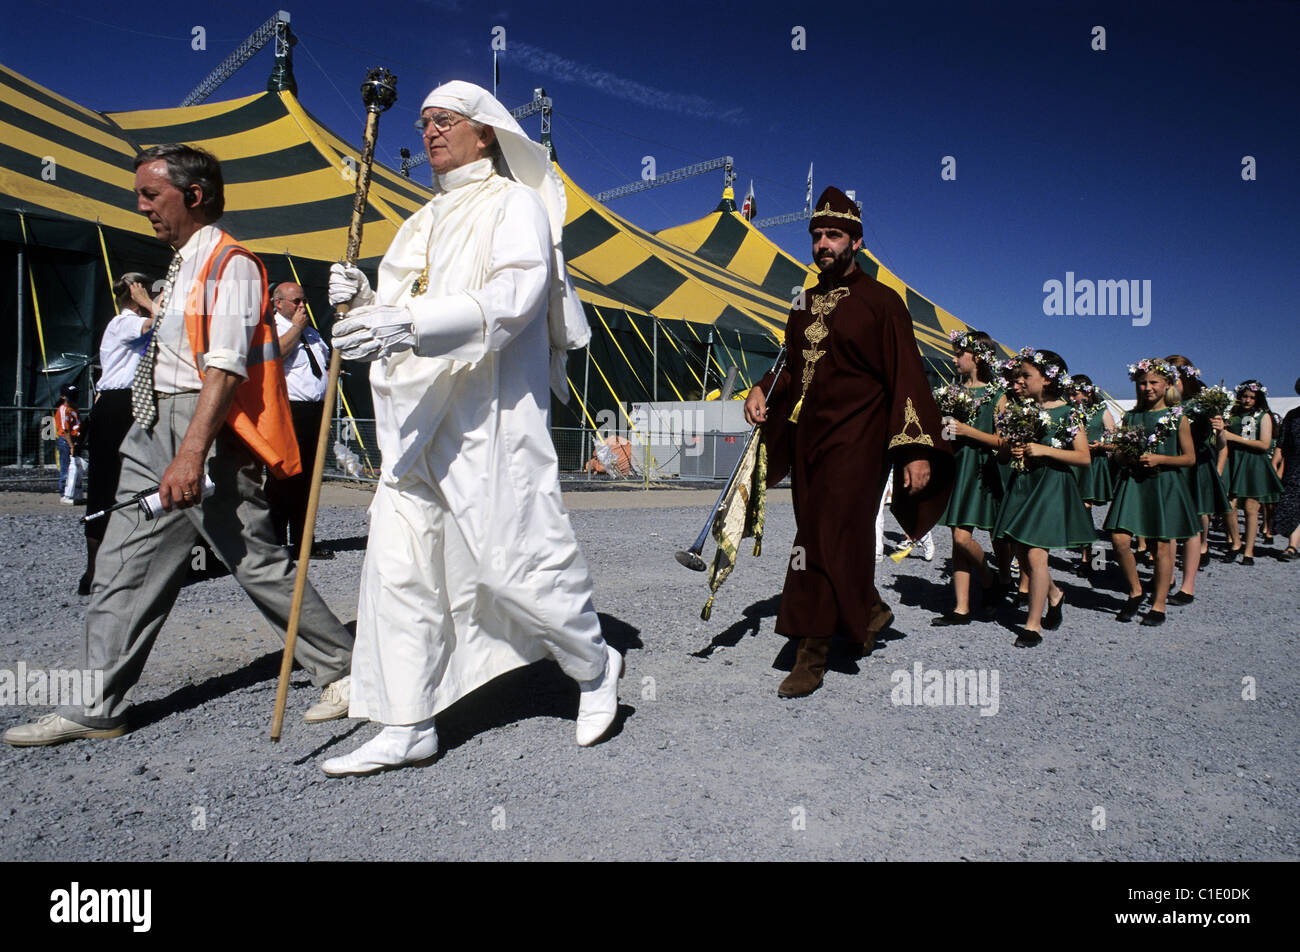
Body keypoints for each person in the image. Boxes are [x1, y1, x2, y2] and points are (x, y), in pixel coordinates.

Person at [3, 144, 353, 748]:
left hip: (207, 429)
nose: (140, 207)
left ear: (192, 196)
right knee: (121, 562)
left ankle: (346, 670)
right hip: (154, 425)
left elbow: (222, 368)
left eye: (150, 195)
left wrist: (191, 453)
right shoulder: (182, 266)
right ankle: (95, 706)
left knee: (253, 559)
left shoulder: (231, 264)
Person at [320, 81, 620, 777]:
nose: (429, 131)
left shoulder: (515, 205)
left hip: (490, 421)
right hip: (417, 421)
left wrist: (408, 322)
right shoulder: (419, 220)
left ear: (484, 131)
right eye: (423, 122)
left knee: (515, 562)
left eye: (444, 120)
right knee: (399, 571)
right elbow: (398, 309)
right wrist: (364, 300)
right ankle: (407, 721)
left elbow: (515, 297)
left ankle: (597, 666)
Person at [745, 186, 953, 697]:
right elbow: (791, 370)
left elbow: (907, 376)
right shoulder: (802, 302)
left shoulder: (884, 303)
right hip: (810, 441)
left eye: (833, 235)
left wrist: (917, 449)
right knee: (828, 533)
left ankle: (810, 652)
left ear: (856, 242)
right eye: (816, 235)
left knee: (819, 538)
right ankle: (869, 609)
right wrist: (760, 389)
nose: (822, 244)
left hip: (861, 443)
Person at [991, 348, 1093, 646]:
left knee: (1035, 555)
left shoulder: (1069, 412)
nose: (1019, 381)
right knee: (1021, 551)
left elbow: (1084, 457)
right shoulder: (1020, 410)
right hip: (1023, 484)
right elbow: (1001, 455)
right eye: (1018, 375)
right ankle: (1054, 593)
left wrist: (1044, 450)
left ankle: (1032, 624)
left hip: (1050, 486)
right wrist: (1012, 447)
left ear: (1048, 380)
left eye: (1026, 375)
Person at [1103, 358, 1199, 626]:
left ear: (1167, 384)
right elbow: (1121, 452)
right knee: (1120, 539)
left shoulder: (1178, 417)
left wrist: (1161, 460)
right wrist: (1124, 455)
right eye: (1143, 383)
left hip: (1164, 484)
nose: (1147, 388)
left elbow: (1190, 458)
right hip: (1134, 482)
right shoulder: (1131, 417)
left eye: (1153, 382)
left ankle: (1158, 604)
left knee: (1163, 546)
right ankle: (1136, 591)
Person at [80, 272, 156, 595]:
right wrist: (149, 304)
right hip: (117, 404)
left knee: (138, 483)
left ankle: (129, 563)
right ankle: (94, 571)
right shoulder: (122, 322)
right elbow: (154, 324)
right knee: (104, 484)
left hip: (135, 403)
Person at [931, 329, 1008, 625]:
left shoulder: (998, 396)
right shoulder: (953, 391)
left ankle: (993, 580)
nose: (953, 359)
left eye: (958, 354)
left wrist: (967, 431)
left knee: (967, 537)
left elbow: (1003, 442)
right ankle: (962, 606)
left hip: (983, 471)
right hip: (957, 467)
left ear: (977, 357)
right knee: (956, 536)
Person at [262, 281, 334, 560]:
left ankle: (305, 541)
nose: (302, 306)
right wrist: (296, 329)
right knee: (283, 477)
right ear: (278, 303)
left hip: (315, 411)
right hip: (288, 410)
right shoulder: (273, 329)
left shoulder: (312, 332)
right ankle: (274, 540)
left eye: (304, 301)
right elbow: (275, 356)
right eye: (295, 301)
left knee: (309, 479)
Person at [1165, 355, 1228, 603]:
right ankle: (1166, 575)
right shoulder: (1163, 405)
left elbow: (1219, 443)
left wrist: (1220, 431)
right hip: (1170, 466)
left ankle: (1187, 585)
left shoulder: (1201, 405)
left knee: (1191, 526)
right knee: (1167, 527)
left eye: (1174, 378)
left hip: (1194, 467)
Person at [1218, 380, 1282, 564]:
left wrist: (1234, 438)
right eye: (1245, 396)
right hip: (1234, 460)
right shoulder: (1233, 415)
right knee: (1229, 505)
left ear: (1258, 398)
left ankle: (1249, 551)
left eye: (1252, 397)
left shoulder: (1264, 416)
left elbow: (1264, 444)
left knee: (1251, 508)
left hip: (1253, 463)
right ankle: (1236, 542)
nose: (1247, 400)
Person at [1067, 374, 1114, 576]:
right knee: (1081, 511)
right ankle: (1090, 557)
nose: (1071, 399)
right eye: (1069, 395)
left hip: (1094, 464)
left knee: (1085, 508)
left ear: (1087, 393)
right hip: (1076, 462)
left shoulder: (1102, 411)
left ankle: (1093, 559)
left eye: (1074, 394)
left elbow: (1115, 437)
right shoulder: (1071, 413)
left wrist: (1102, 445)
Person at [1275, 377, 1300, 561]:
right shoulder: (1292, 416)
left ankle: (1292, 546)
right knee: (1290, 506)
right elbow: (1281, 444)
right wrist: (1275, 465)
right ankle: (1292, 544)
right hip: (1294, 465)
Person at [53, 385, 82, 504]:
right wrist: (71, 446)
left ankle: (75, 492)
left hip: (75, 440)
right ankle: (64, 494)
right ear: (63, 397)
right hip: (66, 441)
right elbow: (65, 430)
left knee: (76, 467)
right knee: (66, 467)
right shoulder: (63, 409)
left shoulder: (74, 408)